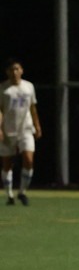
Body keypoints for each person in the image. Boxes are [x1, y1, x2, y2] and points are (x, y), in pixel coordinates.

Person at [1, 59, 42, 206]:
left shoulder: (28, 87)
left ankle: (22, 192)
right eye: (11, 69)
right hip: (8, 130)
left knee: (29, 160)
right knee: (7, 164)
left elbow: (32, 108)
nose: (14, 72)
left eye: (17, 69)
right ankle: (10, 195)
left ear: (22, 70)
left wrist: (37, 126)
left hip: (25, 128)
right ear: (7, 72)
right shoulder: (3, 89)